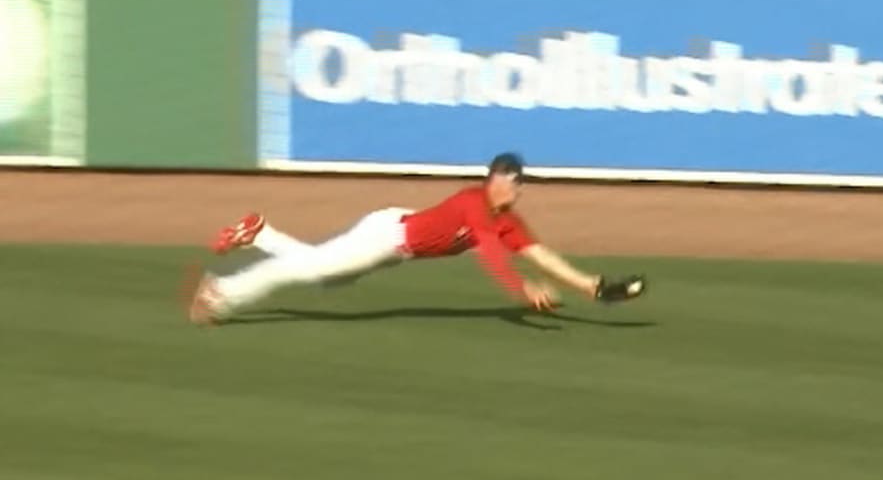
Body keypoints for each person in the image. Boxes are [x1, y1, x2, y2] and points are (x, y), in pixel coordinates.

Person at [187, 152, 647, 325]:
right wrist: (519, 289)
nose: (511, 187)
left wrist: (588, 285)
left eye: (516, 182)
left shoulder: (510, 220)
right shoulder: (474, 201)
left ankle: (260, 232)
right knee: (311, 269)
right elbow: (489, 254)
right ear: (490, 180)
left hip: (399, 246)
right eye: (505, 180)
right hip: (388, 234)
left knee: (326, 276)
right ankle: (221, 293)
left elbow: (541, 256)